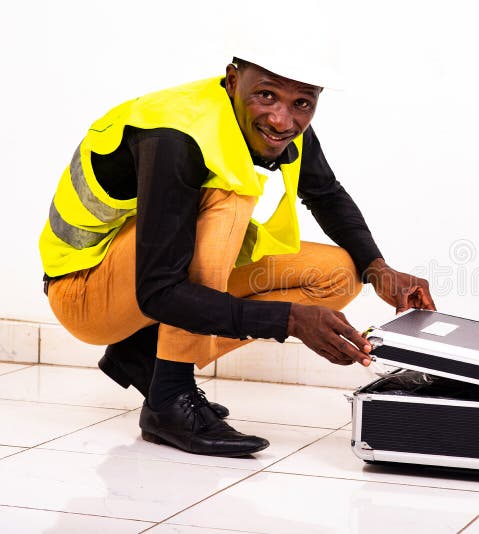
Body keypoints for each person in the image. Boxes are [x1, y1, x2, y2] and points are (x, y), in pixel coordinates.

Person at [39, 49, 436, 458]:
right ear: (232, 81)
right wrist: (291, 320)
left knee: (339, 273)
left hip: (141, 280)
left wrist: (379, 269)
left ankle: (143, 353)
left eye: (302, 103)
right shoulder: (174, 136)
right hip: (83, 291)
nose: (282, 120)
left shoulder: (280, 127)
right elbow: (159, 291)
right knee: (230, 195)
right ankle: (169, 398)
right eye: (266, 96)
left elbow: (325, 193)